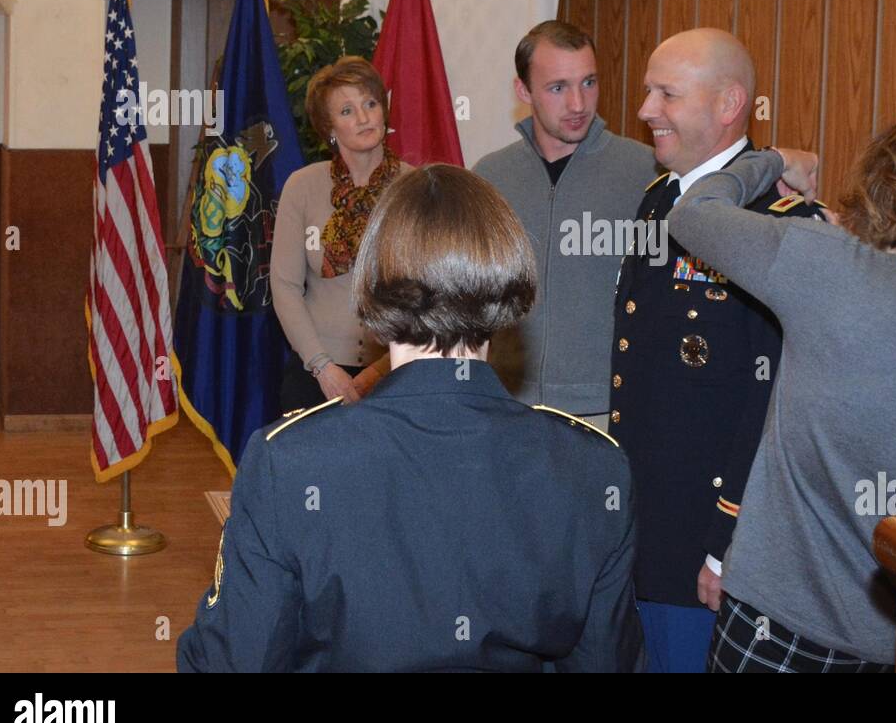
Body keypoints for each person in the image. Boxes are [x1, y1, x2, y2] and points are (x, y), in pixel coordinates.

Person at [177, 165, 644, 672]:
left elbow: (232, 661)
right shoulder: (592, 466)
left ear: (371, 292)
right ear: (508, 288)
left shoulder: (290, 462)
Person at [665, 115, 896, 672]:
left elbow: (692, 213)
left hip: (777, 626)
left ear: (887, 187)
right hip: (895, 635)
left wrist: (775, 160)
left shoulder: (826, 263)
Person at [610, 27, 823, 672]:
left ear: (729, 105)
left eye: (666, 94)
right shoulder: (660, 199)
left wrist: (729, 538)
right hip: (644, 523)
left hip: (705, 539)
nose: (646, 110)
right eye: (649, 91)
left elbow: (779, 399)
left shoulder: (779, 224)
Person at [474, 21, 656, 427]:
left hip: (608, 408)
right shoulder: (489, 177)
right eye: (558, 87)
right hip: (506, 406)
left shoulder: (647, 171)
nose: (578, 104)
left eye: (588, 82)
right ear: (524, 91)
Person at [270, 56, 408, 413]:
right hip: (317, 374)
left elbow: (430, 289)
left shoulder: (416, 186)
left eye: (371, 104)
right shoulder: (302, 187)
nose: (364, 117)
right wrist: (322, 366)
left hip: (399, 372)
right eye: (347, 110)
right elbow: (284, 286)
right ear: (329, 127)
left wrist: (381, 370)